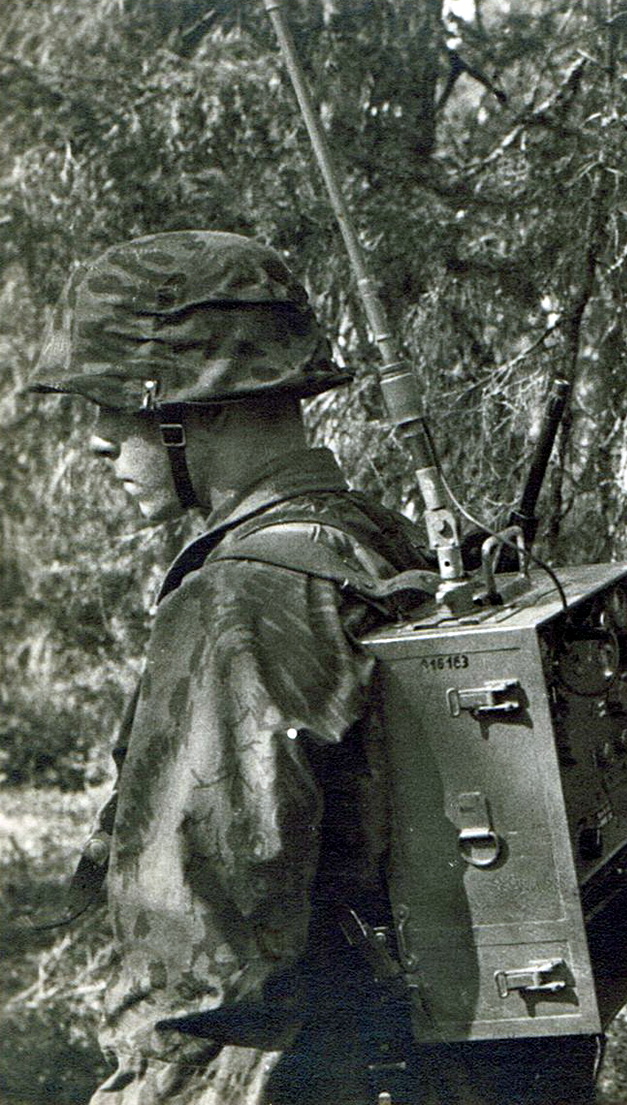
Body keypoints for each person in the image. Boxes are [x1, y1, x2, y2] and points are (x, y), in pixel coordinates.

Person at [29, 230, 597, 1105]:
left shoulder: (237, 601)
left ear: (199, 407)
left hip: (327, 1069)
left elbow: (202, 955)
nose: (99, 441)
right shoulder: (373, 538)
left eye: (115, 406)